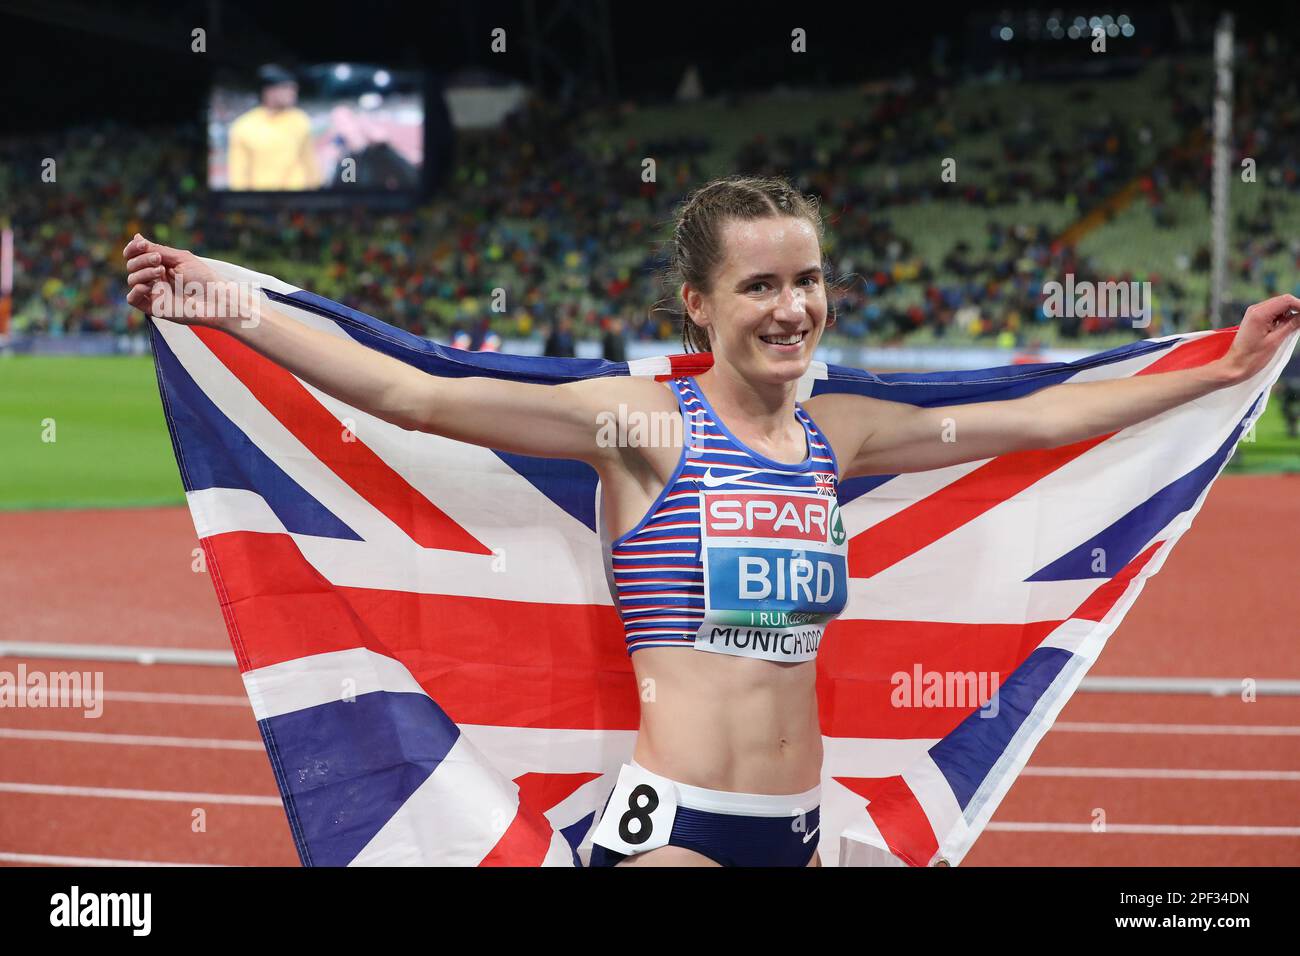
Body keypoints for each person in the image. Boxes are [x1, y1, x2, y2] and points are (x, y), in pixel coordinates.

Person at [123, 175, 1300, 867]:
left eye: (807, 281)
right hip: (670, 826)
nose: (793, 308)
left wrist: (1215, 372)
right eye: (759, 286)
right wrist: (217, 298)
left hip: (801, 825)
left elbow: (1044, 419)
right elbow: (415, 394)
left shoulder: (846, 436)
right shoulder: (640, 427)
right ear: (698, 302)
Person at [227, 65, 322, 191]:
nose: (292, 93)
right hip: (263, 200)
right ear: (269, 91)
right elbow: (238, 176)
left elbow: (310, 163)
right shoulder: (243, 127)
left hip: (298, 198)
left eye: (294, 88)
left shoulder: (300, 120)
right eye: (286, 88)